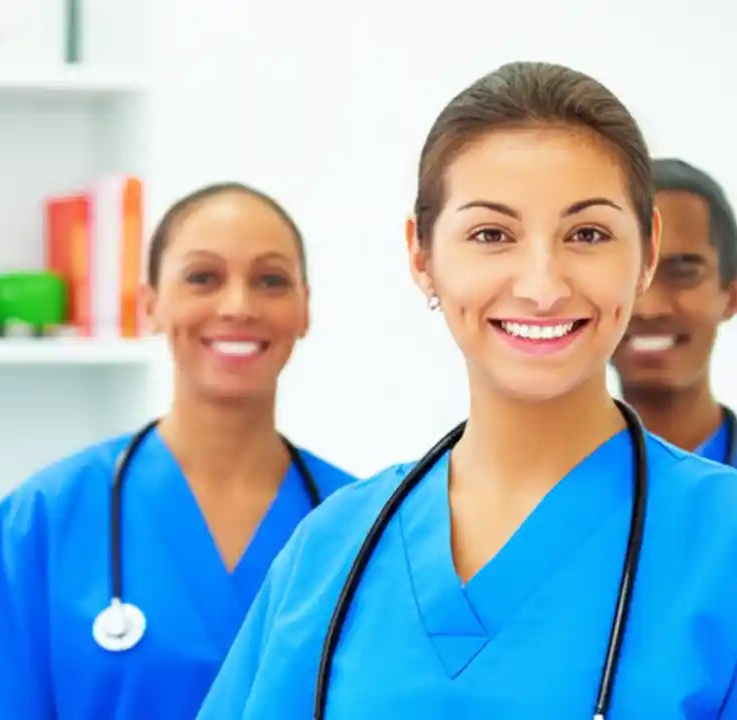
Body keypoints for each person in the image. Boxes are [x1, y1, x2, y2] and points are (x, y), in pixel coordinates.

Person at [197, 62, 737, 719]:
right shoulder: (330, 550)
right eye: (492, 235)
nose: (542, 285)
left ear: (646, 251)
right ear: (421, 256)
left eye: (587, 234)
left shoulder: (720, 544)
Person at [0, 182, 357, 720]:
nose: (239, 305)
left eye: (271, 280)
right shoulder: (46, 519)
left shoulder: (360, 526)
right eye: (202, 278)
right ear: (149, 304)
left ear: (305, 308)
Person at [611, 158, 737, 466]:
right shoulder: (530, 488)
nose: (649, 307)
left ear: (732, 296)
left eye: (682, 272)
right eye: (626, 272)